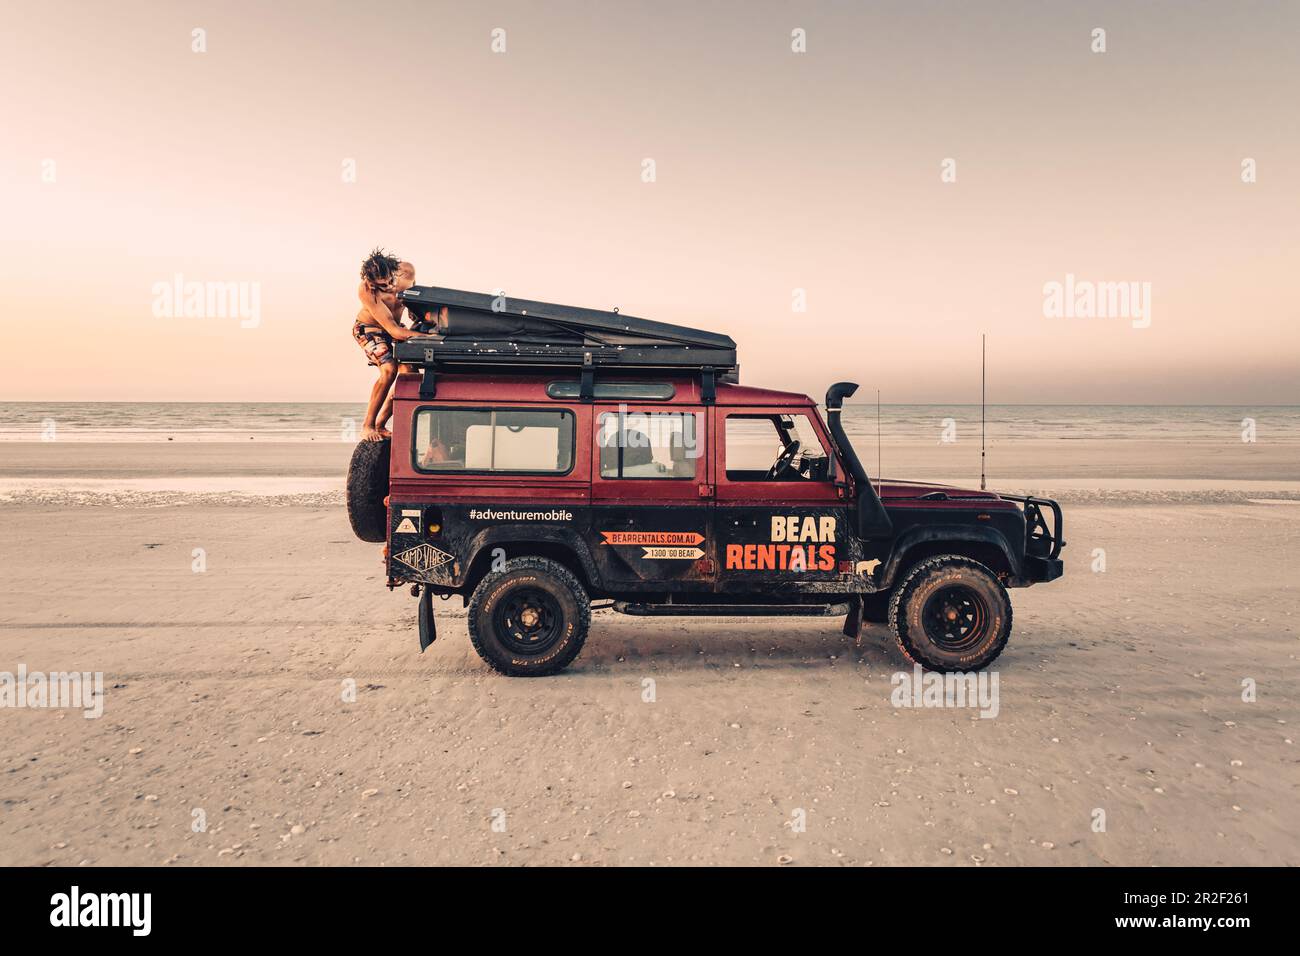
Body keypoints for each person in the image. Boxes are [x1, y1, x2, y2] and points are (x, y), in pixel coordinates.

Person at [352, 248, 424, 441]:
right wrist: (427, 338)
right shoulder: (367, 290)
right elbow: (394, 331)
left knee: (409, 374)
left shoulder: (408, 270)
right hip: (370, 329)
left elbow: (413, 295)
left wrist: (414, 309)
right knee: (389, 370)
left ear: (395, 270)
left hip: (396, 326)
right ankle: (367, 426)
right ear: (371, 282)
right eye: (381, 286)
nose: (388, 286)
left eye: (390, 281)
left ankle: (381, 424)